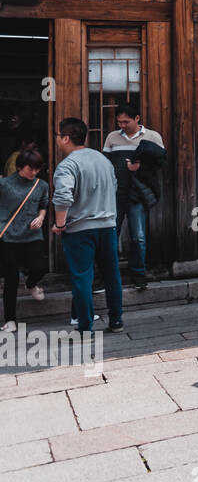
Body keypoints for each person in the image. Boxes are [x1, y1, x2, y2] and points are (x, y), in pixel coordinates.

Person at [50, 118, 123, 334]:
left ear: (65, 138)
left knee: (82, 277)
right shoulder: (103, 160)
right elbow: (115, 186)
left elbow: (62, 197)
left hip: (80, 229)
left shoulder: (67, 165)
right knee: (112, 274)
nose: (56, 140)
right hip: (108, 224)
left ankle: (85, 327)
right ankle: (116, 320)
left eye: (57, 135)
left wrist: (60, 223)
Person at [101, 103, 165, 289]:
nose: (122, 125)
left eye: (126, 121)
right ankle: (107, 275)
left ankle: (138, 274)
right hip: (114, 194)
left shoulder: (152, 136)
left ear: (137, 118)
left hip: (137, 194)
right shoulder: (112, 137)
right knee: (111, 235)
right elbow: (105, 163)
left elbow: (160, 162)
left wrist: (140, 168)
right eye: (119, 122)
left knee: (139, 237)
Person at [0, 148, 49, 331]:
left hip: (32, 234)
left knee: (40, 267)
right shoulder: (5, 184)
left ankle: (31, 283)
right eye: (30, 169)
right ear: (20, 166)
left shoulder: (41, 185)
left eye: (37, 169)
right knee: (11, 279)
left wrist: (41, 217)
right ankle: (10, 320)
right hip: (9, 236)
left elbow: (44, 204)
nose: (34, 172)